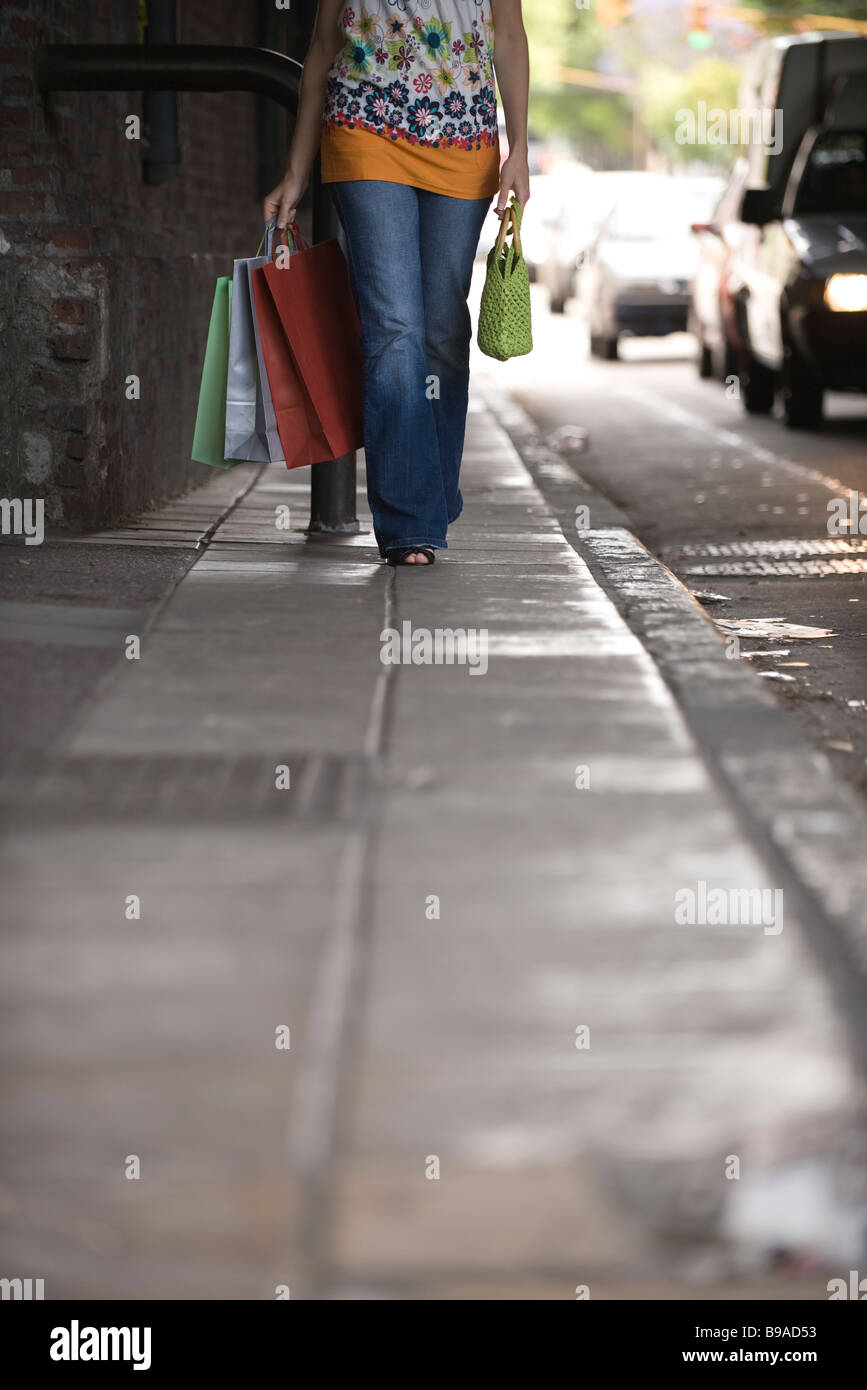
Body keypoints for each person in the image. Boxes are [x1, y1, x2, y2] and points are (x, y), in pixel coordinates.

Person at [264, 1, 530, 566]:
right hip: (364, 130)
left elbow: (508, 36)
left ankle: (428, 487)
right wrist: (296, 170)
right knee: (394, 326)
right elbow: (321, 49)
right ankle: (411, 519)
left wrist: (520, 150)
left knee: (439, 327)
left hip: (464, 139)